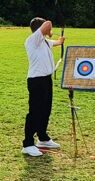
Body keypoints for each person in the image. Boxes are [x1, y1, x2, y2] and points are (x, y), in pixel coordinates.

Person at [21, 17, 64, 157]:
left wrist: (60, 41)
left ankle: (42, 138)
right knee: (35, 112)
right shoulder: (32, 40)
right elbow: (48, 23)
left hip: (46, 79)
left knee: (46, 110)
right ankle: (27, 144)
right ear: (39, 29)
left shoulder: (44, 42)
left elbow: (55, 42)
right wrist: (50, 31)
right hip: (36, 80)